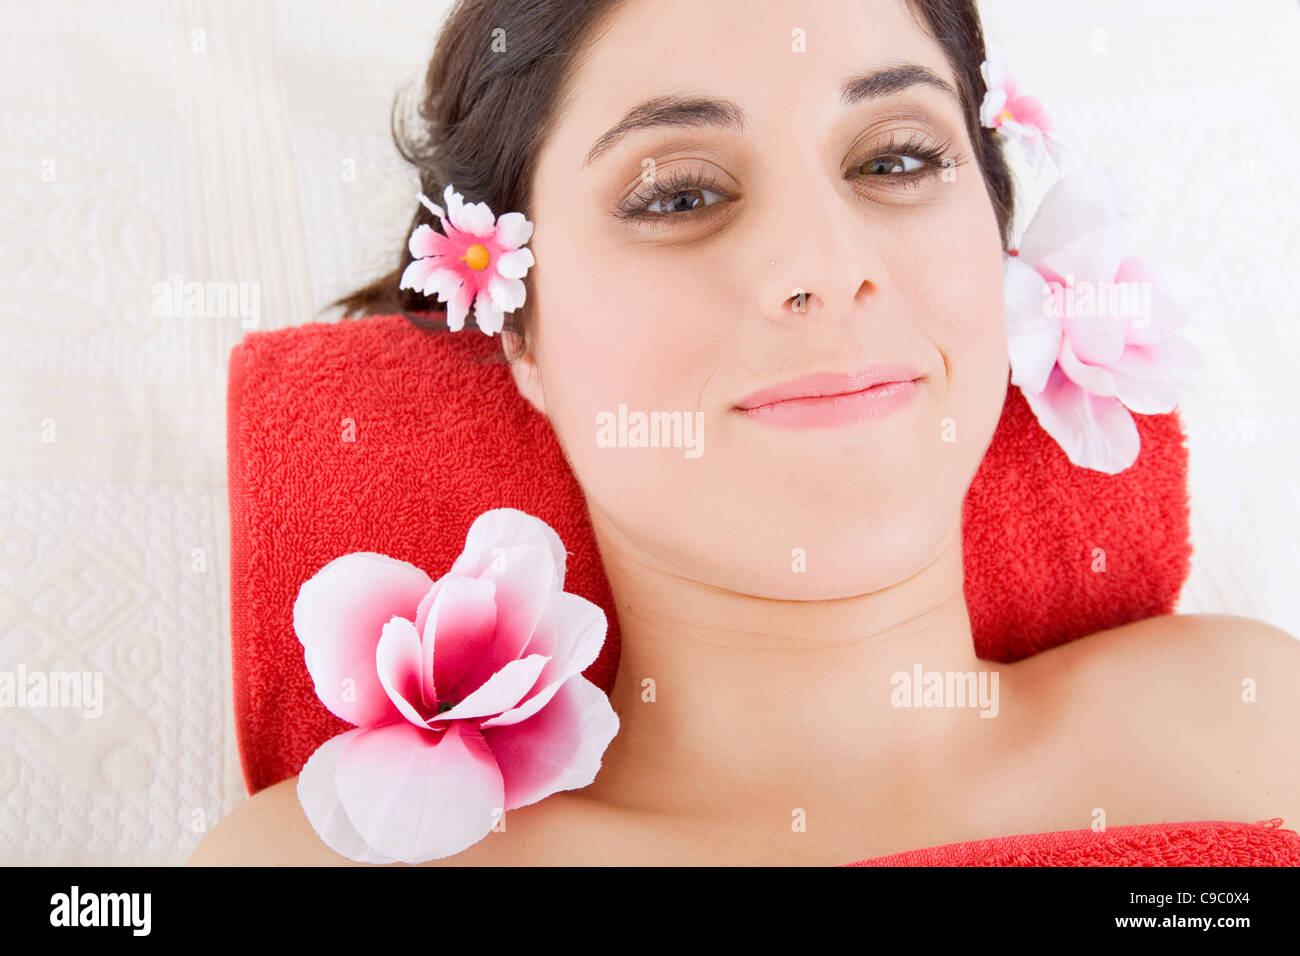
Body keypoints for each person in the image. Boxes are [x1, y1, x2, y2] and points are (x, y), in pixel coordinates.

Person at [189, 0, 1300, 866]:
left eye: (895, 159)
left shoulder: (1254, 726)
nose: (823, 262)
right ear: (522, 334)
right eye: (677, 194)